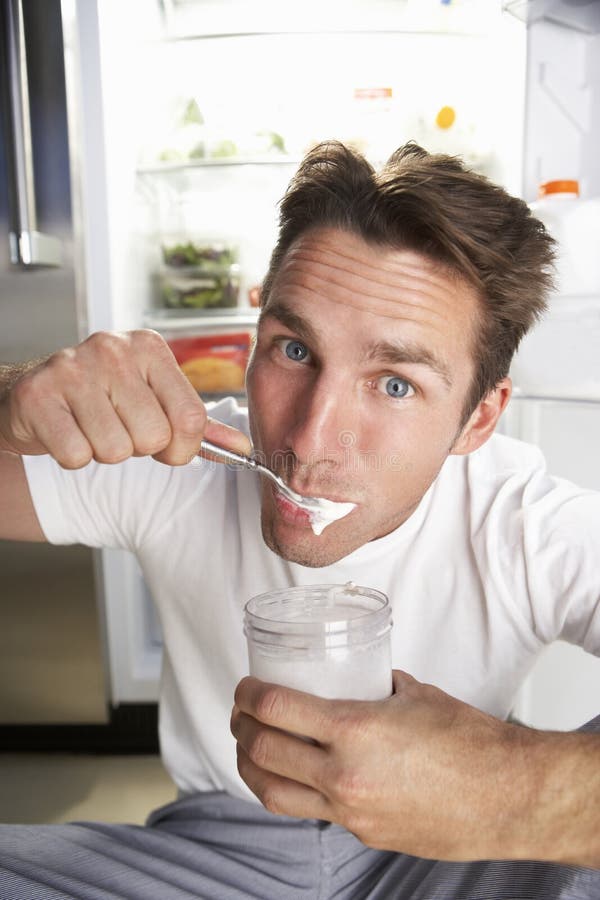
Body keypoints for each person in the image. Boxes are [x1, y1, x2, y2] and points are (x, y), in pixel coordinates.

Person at [0, 140, 599, 899]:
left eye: (394, 384)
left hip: (456, 853)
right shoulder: (182, 457)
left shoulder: (526, 524)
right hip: (214, 855)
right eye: (293, 348)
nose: (309, 441)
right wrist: (15, 402)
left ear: (479, 420)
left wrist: (508, 789)